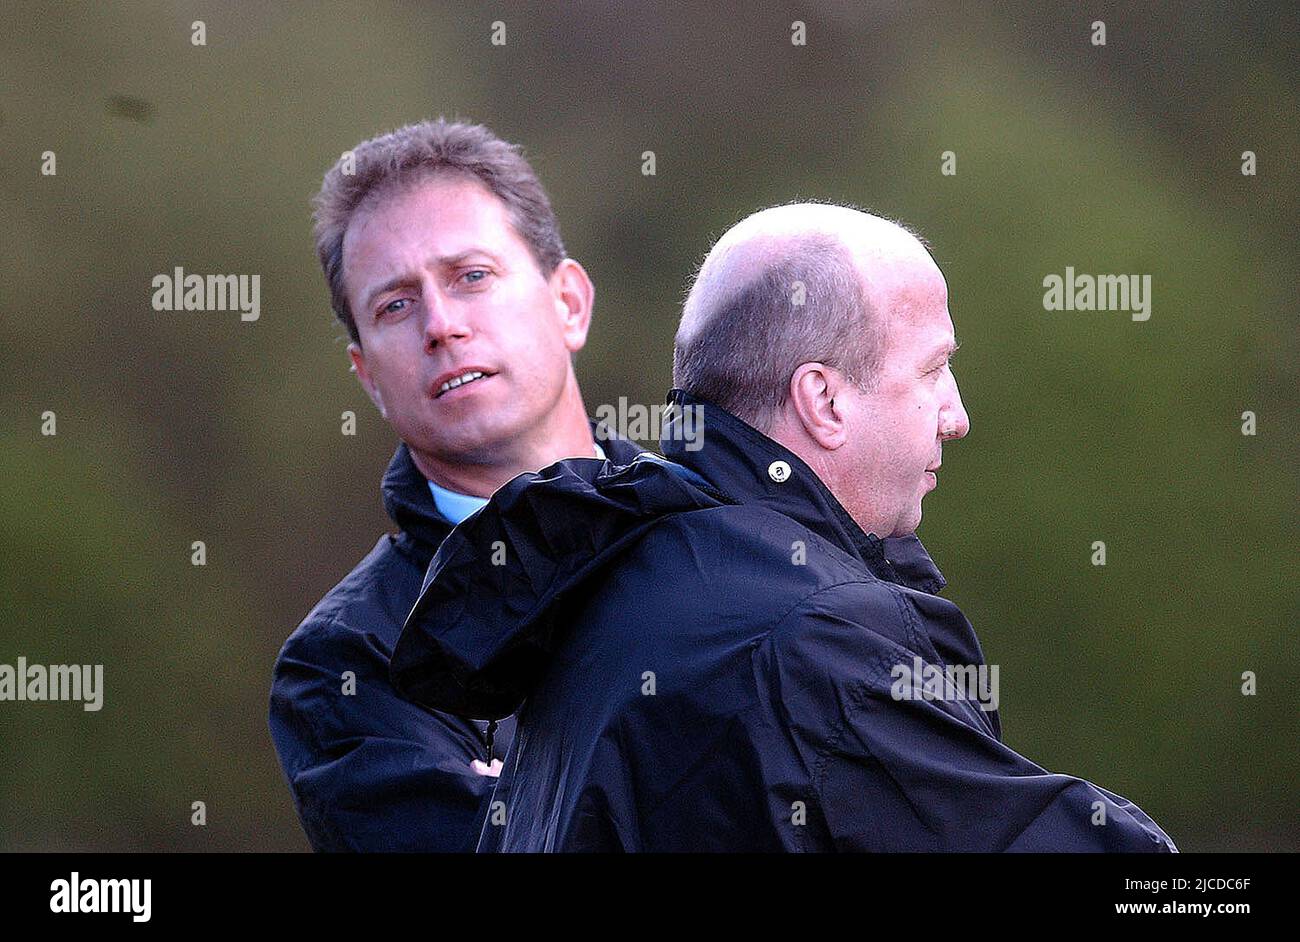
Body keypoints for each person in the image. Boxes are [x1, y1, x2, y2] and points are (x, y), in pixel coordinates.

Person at [391, 203, 1179, 852]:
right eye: (933, 371)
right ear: (824, 402)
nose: (957, 415)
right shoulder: (812, 636)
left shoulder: (609, 585)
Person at [268, 119, 642, 851]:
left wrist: (535, 792)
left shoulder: (730, 530)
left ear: (568, 303)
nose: (440, 325)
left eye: (471, 276)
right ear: (368, 375)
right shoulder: (349, 663)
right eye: (395, 305)